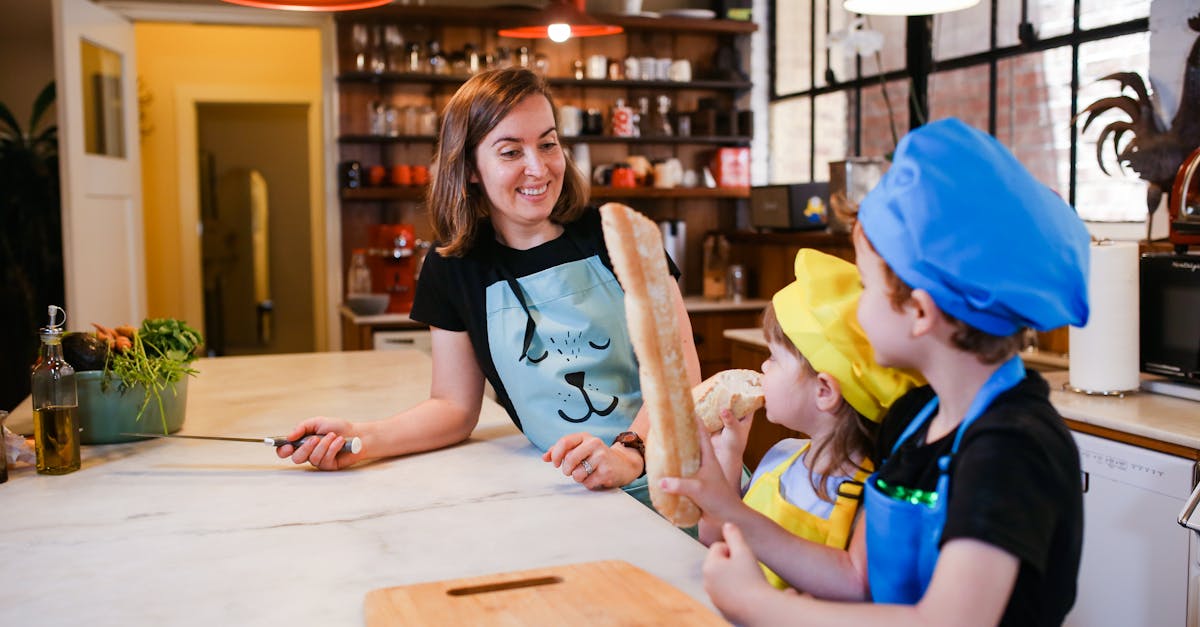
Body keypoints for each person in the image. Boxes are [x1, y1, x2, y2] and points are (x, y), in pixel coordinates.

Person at [681, 118, 1091, 626]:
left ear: (920, 313)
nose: (859, 306)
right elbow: (857, 578)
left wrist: (760, 604)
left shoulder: (1012, 450)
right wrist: (730, 509)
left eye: (868, 288)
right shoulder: (914, 418)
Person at [278, 67, 701, 508]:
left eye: (548, 144)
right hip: (575, 494)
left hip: (677, 474)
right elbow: (454, 408)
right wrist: (362, 438)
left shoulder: (622, 235)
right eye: (510, 151)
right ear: (471, 168)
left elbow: (681, 370)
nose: (537, 167)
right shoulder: (453, 269)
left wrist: (630, 453)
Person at [665, 248, 921, 590]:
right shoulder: (780, 457)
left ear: (825, 391)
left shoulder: (864, 499)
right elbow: (714, 537)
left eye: (773, 358)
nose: (763, 368)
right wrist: (729, 454)